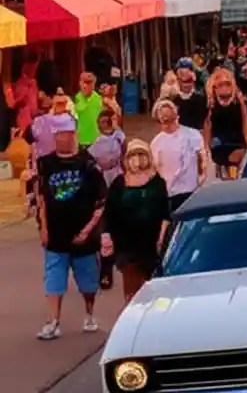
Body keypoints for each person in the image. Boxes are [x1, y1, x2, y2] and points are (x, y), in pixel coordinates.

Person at [34, 113, 106, 340]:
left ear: (73, 134)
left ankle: (89, 312)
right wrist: (43, 227)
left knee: (88, 281)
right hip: (56, 233)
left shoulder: (88, 164)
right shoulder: (46, 163)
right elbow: (42, 198)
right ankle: (53, 321)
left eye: (65, 134)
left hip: (83, 235)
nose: (62, 139)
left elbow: (101, 201)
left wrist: (88, 230)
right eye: (57, 135)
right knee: (53, 277)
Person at [101, 140, 170, 303]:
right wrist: (106, 236)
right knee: (131, 286)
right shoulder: (119, 183)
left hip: (151, 243)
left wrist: (162, 237)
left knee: (152, 286)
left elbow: (165, 213)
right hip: (126, 244)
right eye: (133, 155)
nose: (138, 159)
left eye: (141, 155)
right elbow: (109, 212)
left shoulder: (157, 183)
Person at [87, 109, 125, 289]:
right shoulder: (96, 143)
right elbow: (93, 165)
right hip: (104, 185)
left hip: (119, 181)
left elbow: (125, 155)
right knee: (105, 231)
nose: (104, 124)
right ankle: (105, 271)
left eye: (107, 121)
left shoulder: (119, 137)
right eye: (101, 122)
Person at [150, 100, 206, 211]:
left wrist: (201, 178)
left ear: (176, 115)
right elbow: (155, 169)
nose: (166, 119)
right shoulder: (156, 143)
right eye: (163, 117)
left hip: (191, 189)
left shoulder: (193, 135)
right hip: (170, 192)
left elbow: (202, 157)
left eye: (169, 116)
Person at [204, 69, 247, 179]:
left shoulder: (240, 102)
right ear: (214, 87)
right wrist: (206, 151)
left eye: (227, 84)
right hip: (220, 147)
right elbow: (207, 129)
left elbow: (246, 125)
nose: (224, 88)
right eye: (220, 85)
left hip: (239, 145)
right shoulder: (209, 104)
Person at [169, 65, 208, 131]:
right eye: (185, 81)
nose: (187, 85)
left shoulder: (201, 99)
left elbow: (205, 121)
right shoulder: (174, 101)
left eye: (190, 81)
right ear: (178, 81)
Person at [72, 72, 104, 149]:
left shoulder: (98, 98)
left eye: (90, 82)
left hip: (96, 139)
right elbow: (79, 110)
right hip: (81, 140)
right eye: (85, 82)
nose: (87, 85)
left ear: (94, 84)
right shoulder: (77, 98)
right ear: (80, 83)